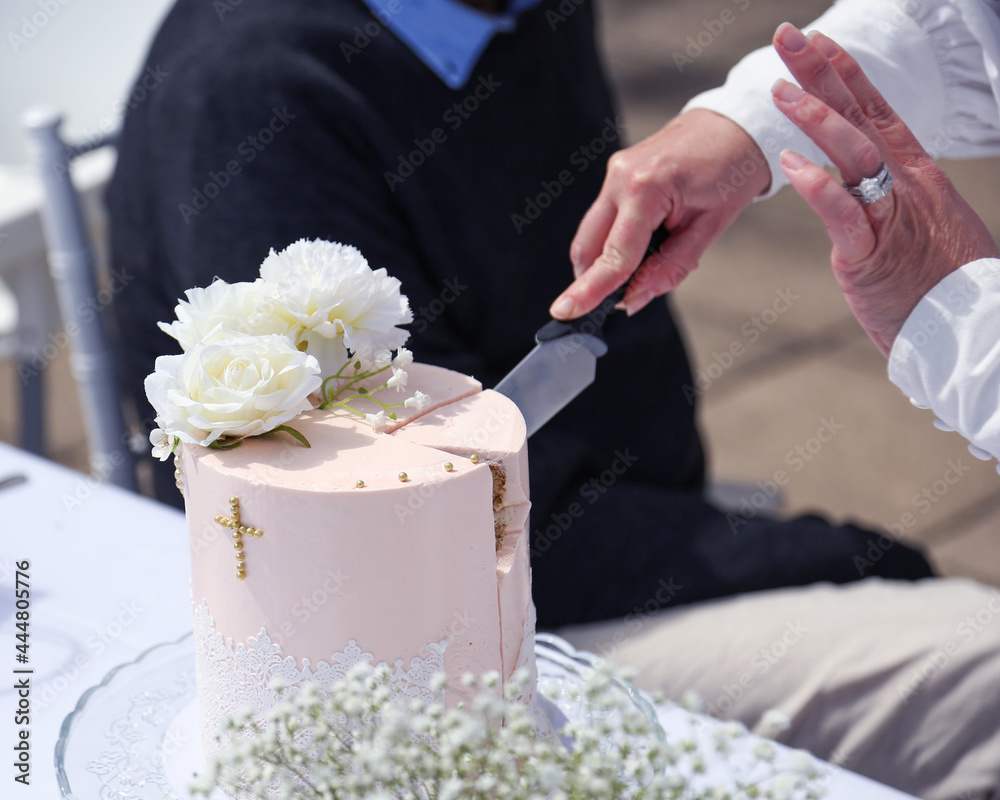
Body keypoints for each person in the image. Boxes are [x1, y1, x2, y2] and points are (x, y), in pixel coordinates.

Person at [106, 1, 999, 797]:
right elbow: (423, 544)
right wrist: (807, 556)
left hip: (633, 535)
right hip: (493, 644)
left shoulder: (517, 16)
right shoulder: (252, 101)